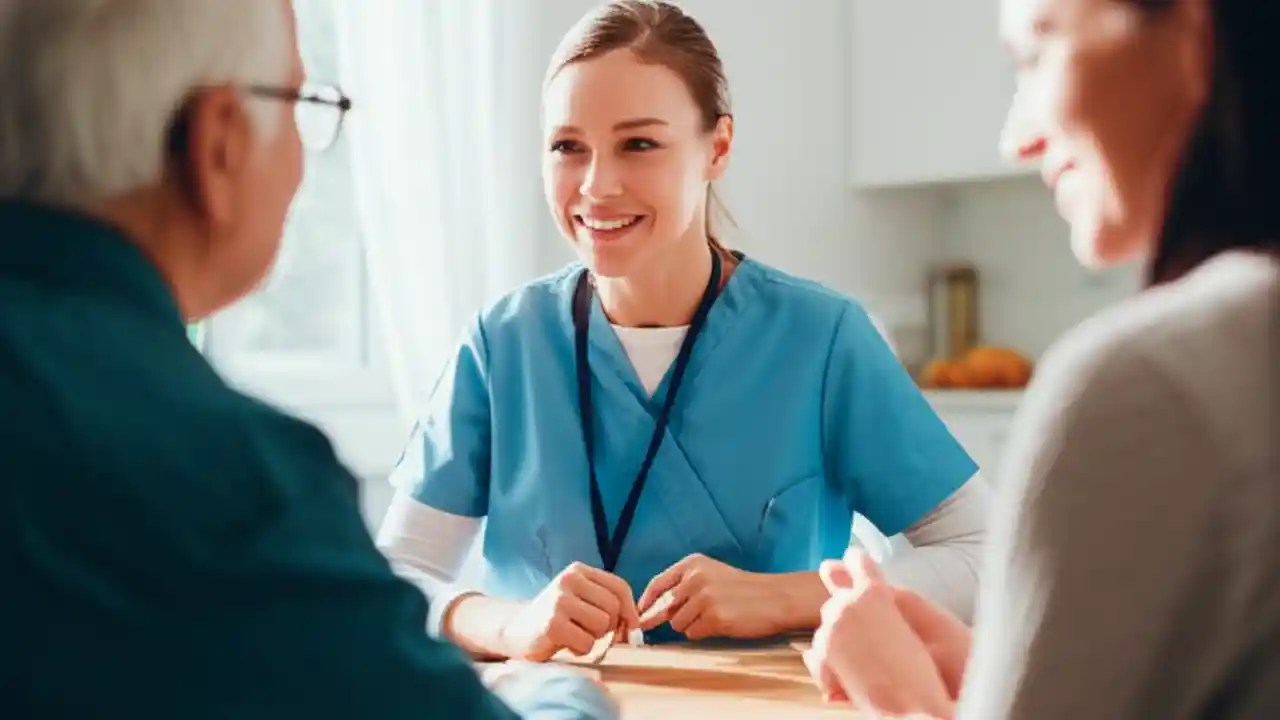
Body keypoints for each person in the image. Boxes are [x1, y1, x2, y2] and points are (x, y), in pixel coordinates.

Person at [0, 1, 616, 717]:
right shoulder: (231, 483)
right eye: (301, 104)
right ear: (220, 143)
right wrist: (556, 692)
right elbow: (408, 580)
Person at [377, 0, 990, 663]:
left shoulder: (822, 341)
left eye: (638, 144)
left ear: (717, 147)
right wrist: (512, 625)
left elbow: (985, 558)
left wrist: (785, 596)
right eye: (567, 147)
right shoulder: (502, 346)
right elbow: (394, 579)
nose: (596, 184)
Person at [804, 0, 1280, 717]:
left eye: (1037, 52)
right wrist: (995, 680)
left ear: (1189, 25)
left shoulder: (1147, 385)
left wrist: (895, 692)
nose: (1014, 138)